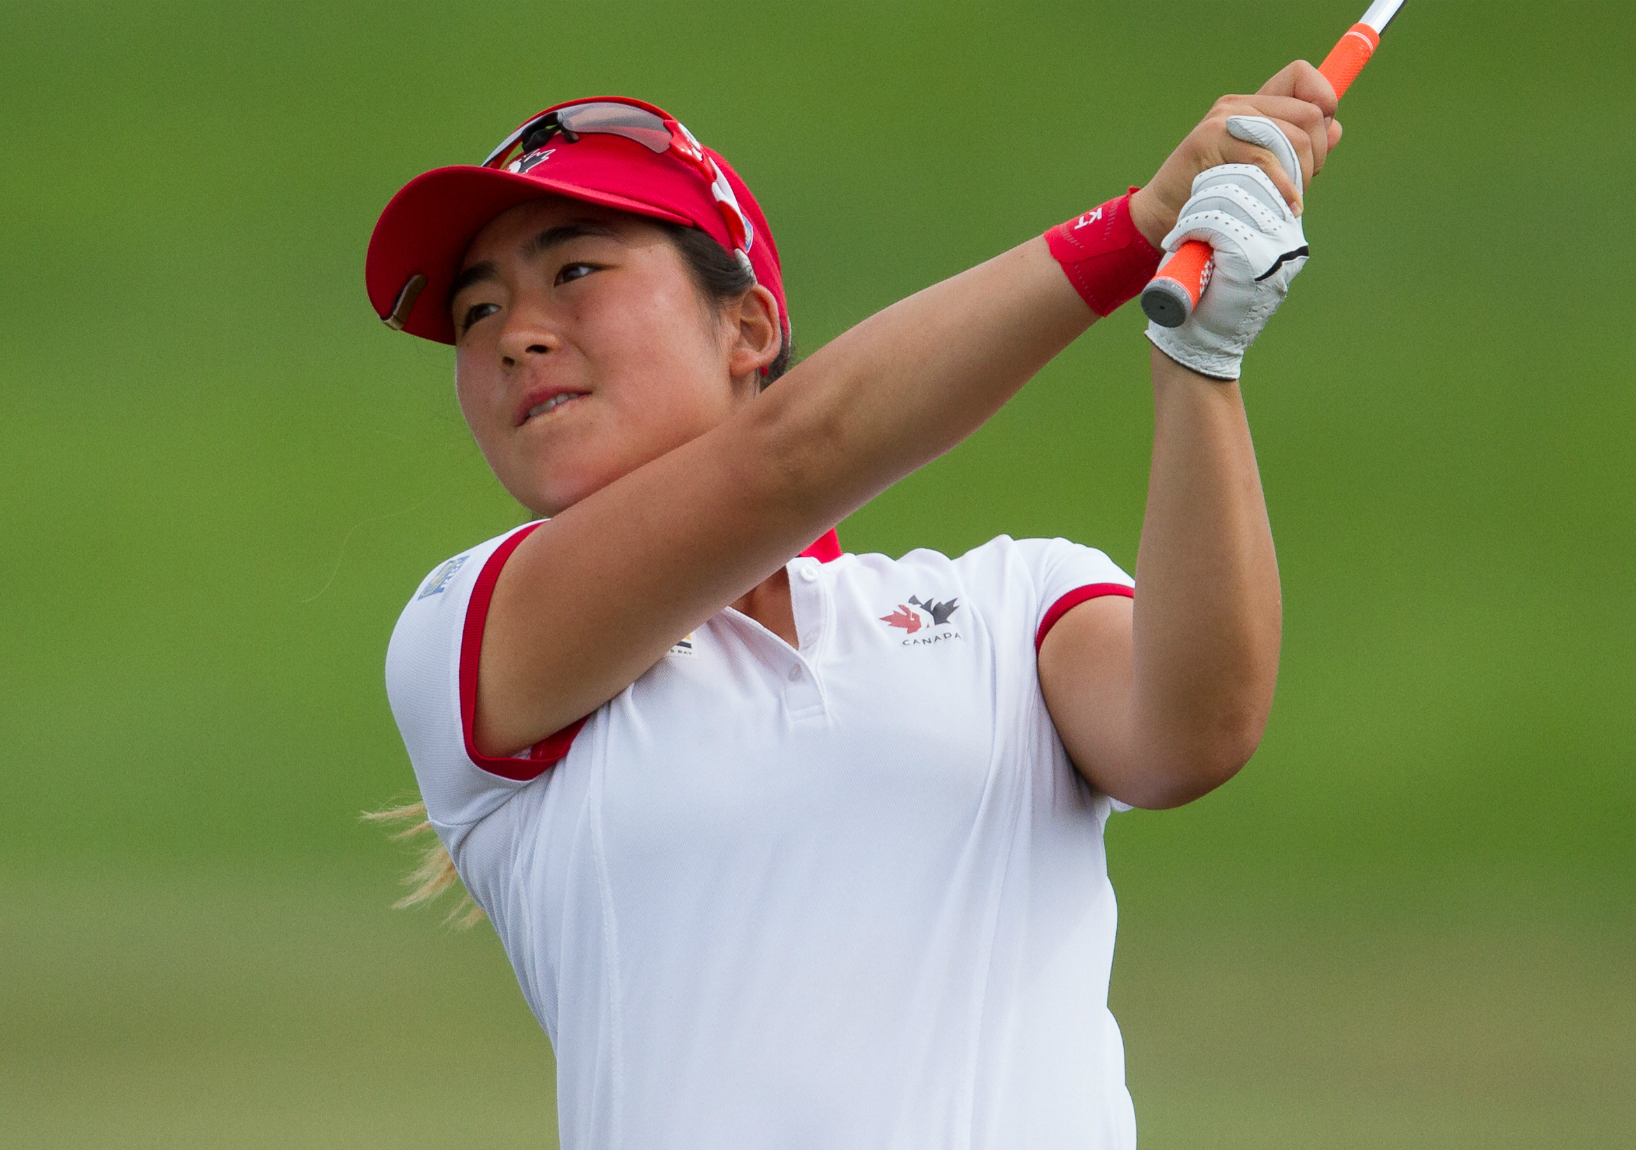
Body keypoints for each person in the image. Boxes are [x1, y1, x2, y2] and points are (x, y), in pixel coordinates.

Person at [366, 61, 1341, 1150]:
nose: (514, 334)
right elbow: (795, 457)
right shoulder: (466, 634)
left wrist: (1198, 357)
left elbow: (1193, 732)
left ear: (747, 327)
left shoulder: (1010, 605)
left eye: (575, 270)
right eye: (478, 310)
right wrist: (1137, 227)